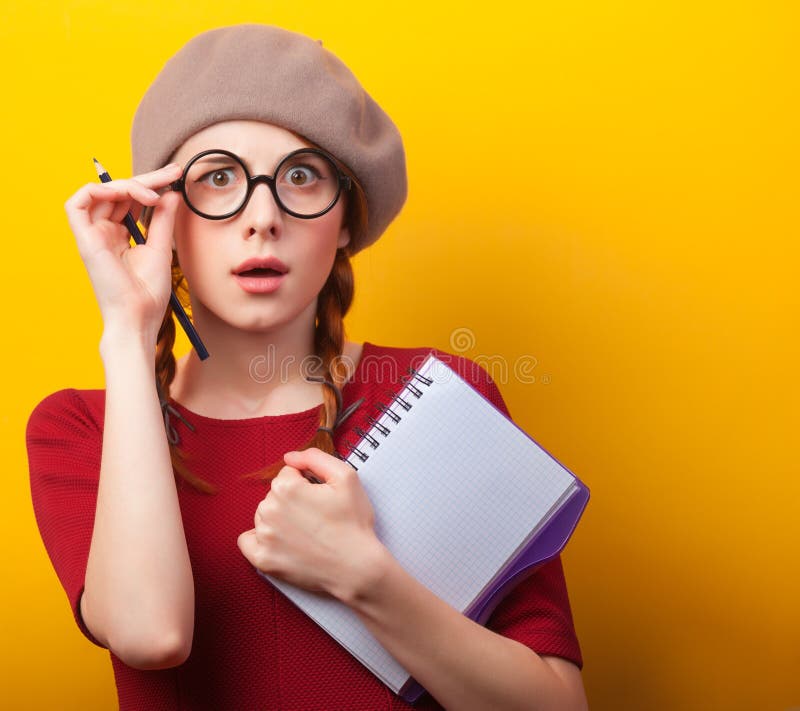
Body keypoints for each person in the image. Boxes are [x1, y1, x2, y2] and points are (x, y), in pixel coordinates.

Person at [27, 24, 586, 711]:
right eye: (219, 178)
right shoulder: (80, 427)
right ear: (163, 216)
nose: (262, 218)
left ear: (345, 218)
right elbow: (150, 634)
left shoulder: (443, 397)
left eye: (300, 176)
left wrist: (366, 578)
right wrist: (126, 332)